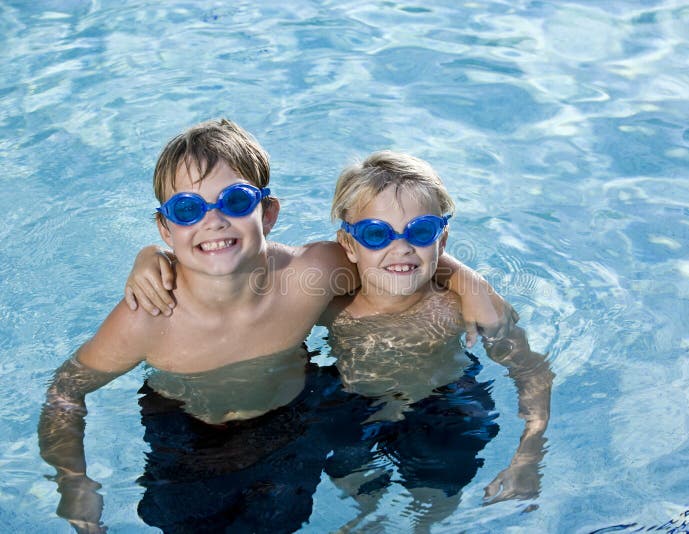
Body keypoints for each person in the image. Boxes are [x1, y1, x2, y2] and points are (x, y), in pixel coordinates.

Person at [38, 120, 510, 533]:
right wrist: (72, 482)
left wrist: (468, 281)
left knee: (280, 520)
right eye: (187, 210)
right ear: (165, 229)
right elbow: (66, 390)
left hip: (291, 426)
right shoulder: (149, 316)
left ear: (268, 213)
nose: (214, 220)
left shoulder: (310, 275)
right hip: (187, 440)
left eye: (235, 200)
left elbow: (392, 253)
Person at [128, 150, 553, 528]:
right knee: (352, 477)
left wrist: (529, 453)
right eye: (375, 234)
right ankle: (368, 519)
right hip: (355, 402)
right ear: (349, 244)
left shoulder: (461, 306)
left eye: (420, 232)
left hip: (445, 401)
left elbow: (530, 369)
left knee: (438, 489)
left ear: (441, 239)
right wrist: (153, 257)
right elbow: (238, 280)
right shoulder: (331, 302)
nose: (400, 247)